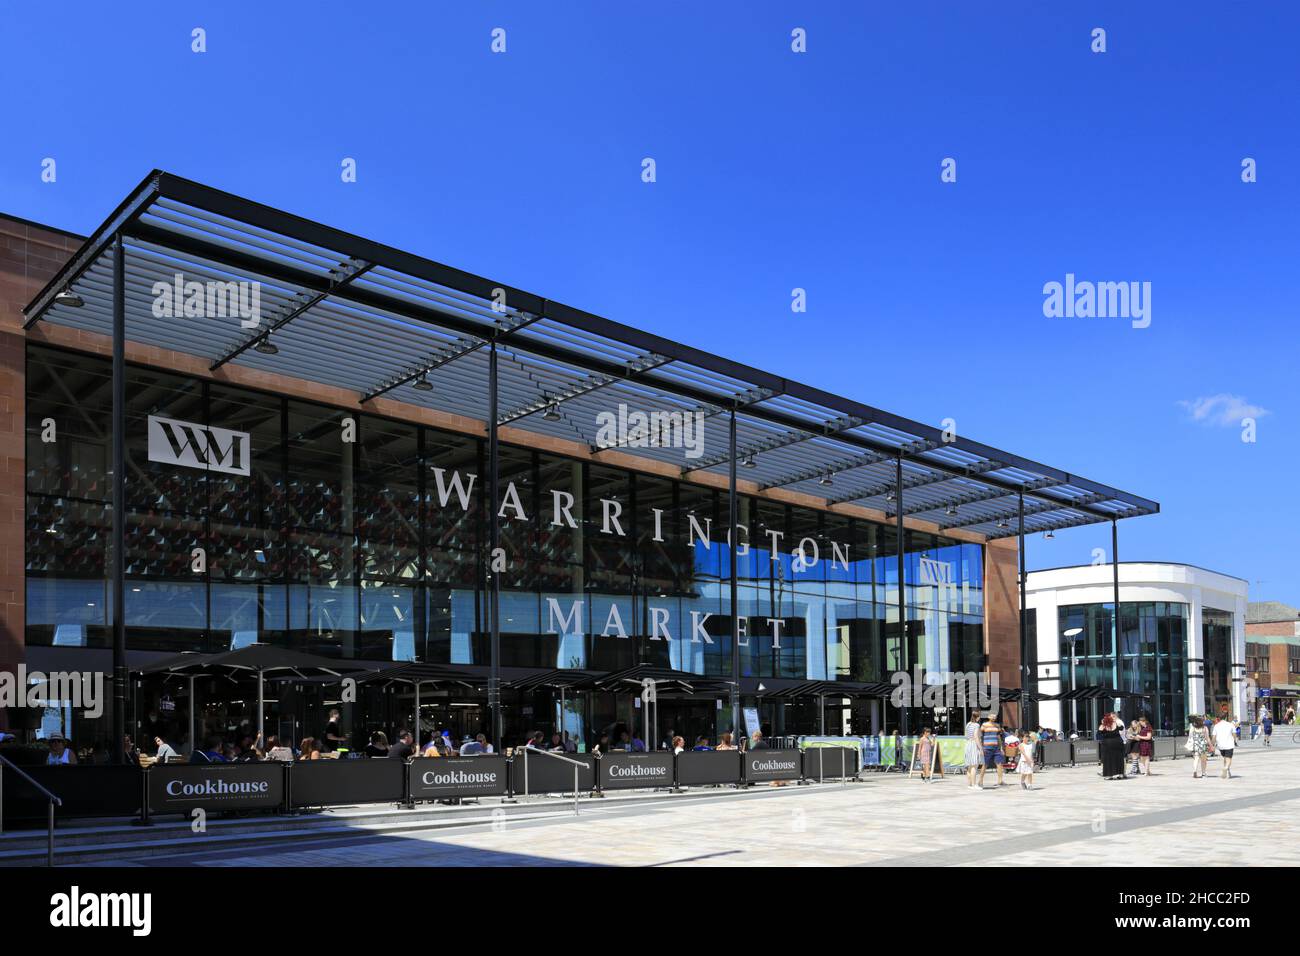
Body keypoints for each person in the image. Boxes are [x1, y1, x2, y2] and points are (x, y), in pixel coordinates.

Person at [978, 715, 1004, 789]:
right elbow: (980, 736)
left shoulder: (997, 725)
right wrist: (981, 747)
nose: (994, 717)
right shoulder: (984, 725)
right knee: (985, 765)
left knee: (999, 764)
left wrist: (1001, 747)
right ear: (988, 717)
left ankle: (1000, 781)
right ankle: (980, 781)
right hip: (987, 748)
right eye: (992, 716)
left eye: (995, 716)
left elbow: (999, 737)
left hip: (996, 748)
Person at [1098, 713, 1125, 780]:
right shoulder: (1115, 723)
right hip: (1117, 742)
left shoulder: (1103, 726)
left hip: (1107, 744)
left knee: (1108, 759)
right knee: (1119, 758)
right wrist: (1115, 721)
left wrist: (1103, 724)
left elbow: (1098, 734)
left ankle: (1109, 775)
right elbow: (1122, 728)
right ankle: (1120, 774)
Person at [963, 712, 983, 790]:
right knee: (974, 765)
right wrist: (980, 748)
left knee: (969, 766)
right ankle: (974, 785)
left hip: (968, 744)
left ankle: (970, 784)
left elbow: (966, 735)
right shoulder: (977, 725)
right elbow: (976, 737)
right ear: (977, 717)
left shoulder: (968, 724)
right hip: (973, 744)